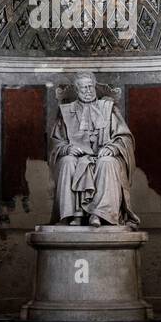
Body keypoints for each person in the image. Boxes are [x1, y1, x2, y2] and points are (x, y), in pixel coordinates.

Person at [49, 71, 139, 227]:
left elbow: (125, 137)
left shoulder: (108, 108)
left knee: (107, 162)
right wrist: (67, 149)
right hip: (77, 157)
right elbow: (55, 142)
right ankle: (71, 215)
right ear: (77, 91)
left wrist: (113, 148)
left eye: (91, 86)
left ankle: (99, 214)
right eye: (84, 88)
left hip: (103, 156)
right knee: (67, 162)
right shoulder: (65, 112)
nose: (88, 91)